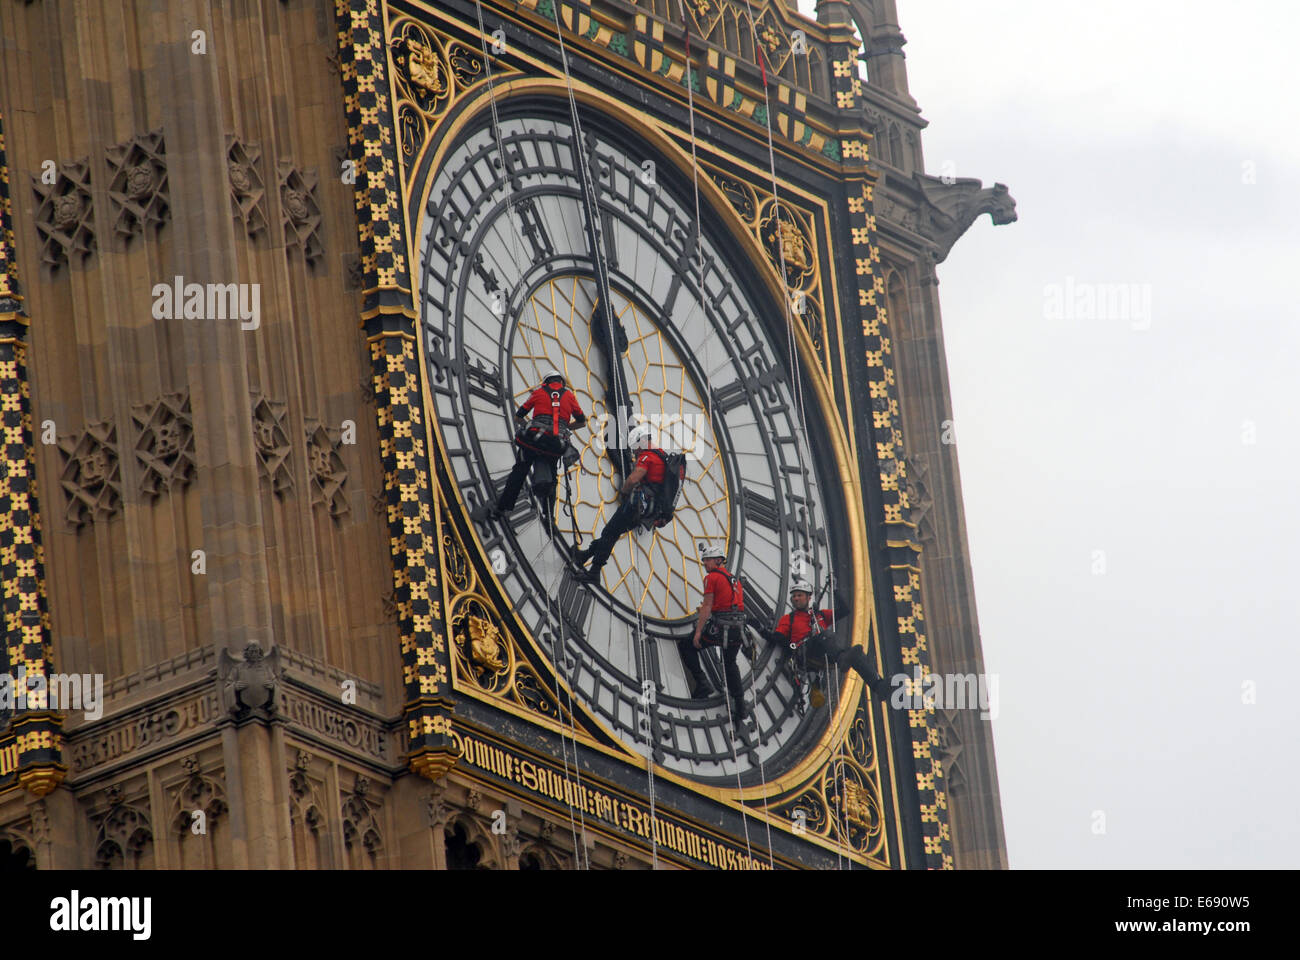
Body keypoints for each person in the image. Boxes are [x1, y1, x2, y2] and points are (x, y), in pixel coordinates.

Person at [487, 372, 586, 534]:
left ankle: (500, 509)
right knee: (552, 479)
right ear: (561, 382)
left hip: (532, 441)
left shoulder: (539, 393)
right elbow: (582, 422)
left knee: (518, 472)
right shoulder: (569, 396)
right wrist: (566, 428)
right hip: (555, 444)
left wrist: (531, 426)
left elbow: (519, 417)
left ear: (545, 382)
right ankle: (549, 517)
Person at [771, 580, 892, 701]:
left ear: (808, 597)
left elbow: (844, 610)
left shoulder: (819, 615)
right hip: (805, 652)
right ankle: (841, 657)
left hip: (823, 654)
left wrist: (835, 590)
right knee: (824, 634)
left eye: (799, 595)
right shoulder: (789, 619)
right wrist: (791, 646)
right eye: (794, 596)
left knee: (857, 655)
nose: (796, 598)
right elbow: (778, 636)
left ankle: (878, 686)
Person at [572, 424, 663, 582]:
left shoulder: (648, 456)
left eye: (635, 446)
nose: (634, 451)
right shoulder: (662, 456)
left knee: (609, 532)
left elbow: (633, 479)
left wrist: (624, 492)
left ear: (641, 441)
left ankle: (594, 571)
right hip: (650, 510)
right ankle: (585, 556)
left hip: (637, 505)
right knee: (612, 534)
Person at [679, 543, 749, 721]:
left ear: (718, 560)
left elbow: (708, 606)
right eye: (704, 561)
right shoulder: (734, 579)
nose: (705, 564)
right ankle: (741, 705)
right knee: (730, 663)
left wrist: (698, 632)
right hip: (737, 629)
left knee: (687, 645)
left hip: (720, 627)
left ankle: (702, 683)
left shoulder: (712, 578)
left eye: (708, 560)